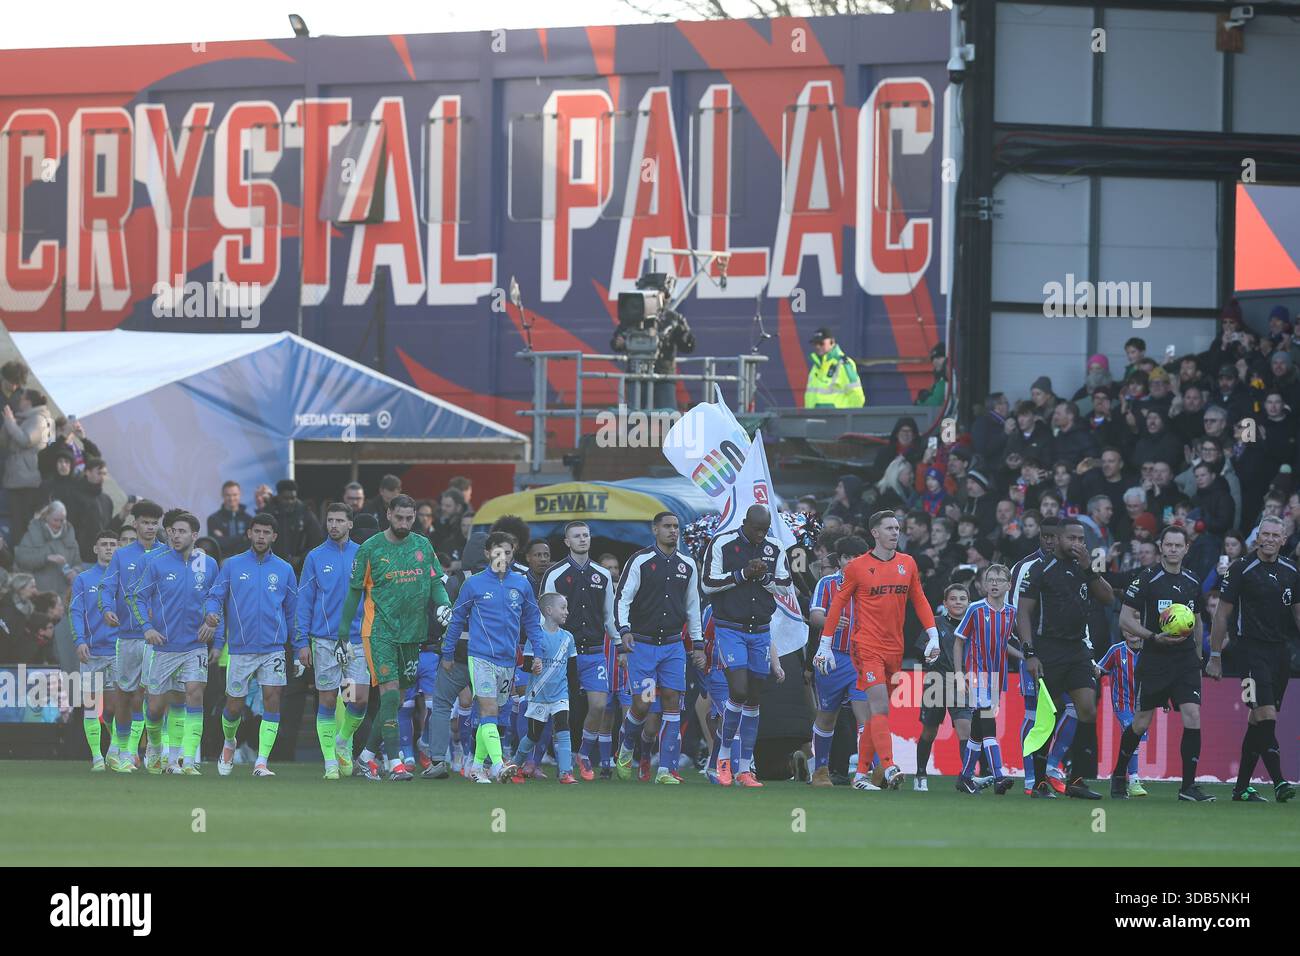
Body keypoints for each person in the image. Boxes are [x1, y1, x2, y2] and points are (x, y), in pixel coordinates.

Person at [820, 511, 940, 791]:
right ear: (875, 533)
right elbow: (837, 605)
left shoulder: (907, 563)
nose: (895, 532)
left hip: (894, 648)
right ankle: (888, 765)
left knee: (878, 716)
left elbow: (919, 599)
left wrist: (933, 635)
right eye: (889, 528)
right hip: (866, 647)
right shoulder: (857, 567)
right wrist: (825, 643)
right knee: (880, 707)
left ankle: (861, 776)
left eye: (897, 528)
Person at [337, 494, 451, 781]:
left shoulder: (422, 545)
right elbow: (353, 593)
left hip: (413, 635)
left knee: (396, 700)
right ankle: (393, 763)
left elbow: (436, 582)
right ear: (388, 514)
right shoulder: (371, 548)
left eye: (409, 518)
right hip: (379, 632)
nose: (404, 523)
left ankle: (364, 757)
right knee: (388, 695)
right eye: (399, 517)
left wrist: (445, 605)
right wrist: (342, 633)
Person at [1016, 517, 1114, 800]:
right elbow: (1023, 613)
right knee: (1048, 715)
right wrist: (1030, 653)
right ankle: (1039, 782)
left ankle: (1077, 781)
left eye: (1082, 540)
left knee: (1087, 709)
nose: (1078, 544)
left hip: (1077, 651)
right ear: (1058, 539)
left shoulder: (1083, 568)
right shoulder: (1039, 570)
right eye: (1072, 538)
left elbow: (1108, 598)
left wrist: (1089, 568)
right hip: (1048, 650)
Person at [1208, 514, 1298, 803]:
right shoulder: (1241, 569)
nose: (1270, 539)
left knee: (1257, 721)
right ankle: (1280, 782)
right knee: (1265, 715)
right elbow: (1222, 614)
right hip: (1249, 651)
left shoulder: (1291, 571)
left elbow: (1297, 612)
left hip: (1279, 653)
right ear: (1257, 537)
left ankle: (1240, 788)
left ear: (1284, 540)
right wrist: (1215, 655)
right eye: (1265, 534)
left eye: (1276, 535)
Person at [699, 505, 791, 788]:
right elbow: (707, 584)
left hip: (761, 630)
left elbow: (786, 585)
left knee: (753, 697)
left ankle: (744, 769)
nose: (761, 535)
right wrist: (742, 574)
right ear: (745, 523)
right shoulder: (723, 543)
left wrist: (763, 577)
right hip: (730, 628)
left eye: (765, 530)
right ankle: (723, 760)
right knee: (737, 689)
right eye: (756, 529)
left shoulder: (775, 547)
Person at [205, 513, 299, 778]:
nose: (261, 536)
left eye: (266, 532)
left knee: (272, 700)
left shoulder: (284, 569)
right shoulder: (232, 566)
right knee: (233, 706)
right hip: (241, 649)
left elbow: (293, 611)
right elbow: (215, 596)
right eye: (257, 531)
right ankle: (229, 742)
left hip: (273, 648)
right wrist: (212, 613)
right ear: (249, 534)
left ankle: (261, 761)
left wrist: (300, 646)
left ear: (274, 537)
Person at [445, 530, 542, 783]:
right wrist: (447, 652)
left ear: (512, 555)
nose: (503, 556)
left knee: (494, 715)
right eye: (497, 552)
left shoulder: (521, 584)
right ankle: (498, 765)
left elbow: (532, 622)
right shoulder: (474, 584)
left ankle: (476, 767)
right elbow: (457, 620)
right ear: (487, 553)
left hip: (508, 660)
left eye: (508, 553)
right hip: (480, 657)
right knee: (488, 710)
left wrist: (538, 653)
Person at [613, 512, 703, 785]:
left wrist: (697, 644)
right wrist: (624, 630)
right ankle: (627, 745)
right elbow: (622, 599)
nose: (672, 531)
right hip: (644, 647)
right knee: (643, 704)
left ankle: (665, 770)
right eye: (667, 526)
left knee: (672, 701)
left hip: (673, 647)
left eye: (676, 527)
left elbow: (693, 607)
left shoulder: (687, 564)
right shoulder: (640, 560)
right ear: (655, 530)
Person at [133, 510, 220, 776]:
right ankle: (155, 748)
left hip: (194, 645)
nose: (175, 535)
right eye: (171, 531)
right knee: (157, 708)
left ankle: (185, 760)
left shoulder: (209, 565)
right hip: (163, 647)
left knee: (193, 694)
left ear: (194, 535)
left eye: (181, 531)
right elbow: (137, 597)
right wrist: (147, 628)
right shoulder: (156, 563)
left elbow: (216, 598)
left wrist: (213, 621)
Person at [542, 520, 621, 780]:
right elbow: (545, 616)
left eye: (585, 535)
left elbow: (610, 615)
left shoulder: (603, 574)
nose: (582, 540)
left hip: (596, 651)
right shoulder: (555, 573)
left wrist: (620, 645)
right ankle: (550, 761)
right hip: (563, 653)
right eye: (576, 536)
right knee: (560, 709)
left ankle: (584, 755)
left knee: (599, 706)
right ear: (567, 542)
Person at [296, 503, 367, 780]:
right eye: (330, 520)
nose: (333, 525)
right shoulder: (315, 557)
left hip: (357, 640)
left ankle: (342, 741)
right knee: (327, 700)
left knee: (357, 699)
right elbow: (304, 601)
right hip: (324, 640)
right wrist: (301, 642)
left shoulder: (363, 554)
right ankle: (330, 763)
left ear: (350, 524)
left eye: (339, 520)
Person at [98, 500, 168, 773]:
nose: (150, 527)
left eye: (154, 523)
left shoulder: (167, 555)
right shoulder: (122, 555)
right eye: (146, 522)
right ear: (135, 524)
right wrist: (106, 608)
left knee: (156, 695)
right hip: (127, 636)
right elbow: (107, 587)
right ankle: (121, 751)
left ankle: (153, 750)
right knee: (126, 696)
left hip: (158, 638)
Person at [952, 564, 1017, 795]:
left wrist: (1024, 656)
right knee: (989, 724)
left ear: (1009, 585)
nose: (995, 583)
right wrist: (959, 672)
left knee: (978, 730)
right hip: (976, 674)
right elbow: (959, 640)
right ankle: (999, 775)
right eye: (991, 579)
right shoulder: (976, 609)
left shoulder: (1011, 612)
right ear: (984, 584)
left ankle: (965, 777)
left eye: (1000, 580)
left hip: (997, 677)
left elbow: (1003, 643)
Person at [509, 592, 579, 784]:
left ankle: (565, 772)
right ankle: (515, 765)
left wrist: (574, 692)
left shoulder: (568, 638)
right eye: (563, 608)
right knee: (533, 735)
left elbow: (572, 669)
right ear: (549, 611)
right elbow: (527, 663)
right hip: (538, 694)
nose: (567, 612)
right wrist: (533, 664)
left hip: (560, 694)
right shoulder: (536, 635)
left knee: (563, 730)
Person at [912, 582, 970, 792]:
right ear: (945, 603)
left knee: (965, 729)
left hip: (961, 683)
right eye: (953, 599)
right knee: (929, 731)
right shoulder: (934, 624)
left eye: (962, 599)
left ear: (968, 602)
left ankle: (966, 777)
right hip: (936, 681)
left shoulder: (972, 624)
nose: (958, 602)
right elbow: (919, 650)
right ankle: (920, 774)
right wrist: (927, 654)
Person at [70, 528, 121, 771]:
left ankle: (112, 751)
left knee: (113, 707)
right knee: (92, 706)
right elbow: (76, 611)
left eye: (113, 544)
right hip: (91, 651)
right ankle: (97, 758)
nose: (109, 548)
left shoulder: (124, 579)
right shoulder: (84, 578)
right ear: (95, 549)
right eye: (104, 544)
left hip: (118, 651)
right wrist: (79, 640)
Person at [1096, 634, 1146, 798]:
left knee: (1134, 739)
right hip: (1122, 702)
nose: (1131, 631)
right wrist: (1090, 669)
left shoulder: (1149, 650)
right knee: (1132, 731)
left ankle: (1121, 777)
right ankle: (1133, 779)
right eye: (1127, 627)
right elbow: (1100, 669)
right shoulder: (1116, 650)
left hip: (1143, 704)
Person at [2, 389, 56, 541]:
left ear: (29, 402)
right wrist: (10, 423)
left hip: (26, 480)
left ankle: (23, 558)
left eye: (22, 399)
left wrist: (11, 423)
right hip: (17, 478)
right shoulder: (25, 419)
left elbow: (26, 440)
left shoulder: (38, 419)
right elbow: (7, 443)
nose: (19, 401)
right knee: (16, 522)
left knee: (22, 523)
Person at [15, 500, 81, 595]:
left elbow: (78, 563)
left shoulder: (70, 538)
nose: (59, 524)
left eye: (62, 520)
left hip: (63, 596)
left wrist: (75, 572)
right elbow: (21, 559)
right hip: (39, 594)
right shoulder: (32, 534)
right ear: (46, 517)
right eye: (55, 520)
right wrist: (45, 557)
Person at [261, 479, 322, 570]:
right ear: (278, 497)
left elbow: (318, 542)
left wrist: (301, 558)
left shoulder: (305, 514)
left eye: (293, 498)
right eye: (286, 498)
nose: (290, 501)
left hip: (299, 569)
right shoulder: (267, 514)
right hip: (270, 567)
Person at [804, 327, 865, 408]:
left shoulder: (843, 364)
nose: (818, 346)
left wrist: (848, 418)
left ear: (832, 342)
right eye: (815, 343)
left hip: (836, 419)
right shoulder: (816, 366)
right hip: (814, 418)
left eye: (821, 343)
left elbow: (857, 396)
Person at [69, 458, 113, 563]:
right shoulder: (75, 497)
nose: (102, 477)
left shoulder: (106, 500)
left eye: (104, 474)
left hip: (103, 559)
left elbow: (108, 528)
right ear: (87, 473)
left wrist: (122, 515)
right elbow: (71, 527)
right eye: (99, 473)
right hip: (82, 558)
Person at [207, 480, 252, 557]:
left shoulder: (249, 519)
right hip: (222, 562)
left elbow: (250, 544)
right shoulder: (213, 519)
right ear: (222, 495)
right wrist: (242, 537)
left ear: (240, 495)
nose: (231, 498)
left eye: (235, 495)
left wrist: (225, 539)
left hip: (245, 561)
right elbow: (217, 544)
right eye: (228, 495)